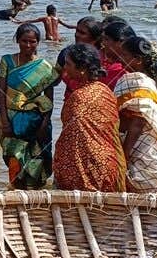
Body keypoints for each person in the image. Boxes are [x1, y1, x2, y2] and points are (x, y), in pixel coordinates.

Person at [51, 43, 126, 191]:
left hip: (81, 172)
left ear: (82, 69)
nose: (65, 68)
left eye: (68, 64)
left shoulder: (77, 97)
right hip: (107, 166)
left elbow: (70, 136)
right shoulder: (106, 91)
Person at [0, 22, 57, 188]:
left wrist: (44, 125)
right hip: (11, 118)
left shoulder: (45, 67)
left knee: (36, 160)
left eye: (32, 42)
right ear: (18, 40)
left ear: (38, 42)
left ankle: (35, 197)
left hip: (36, 121)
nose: (28, 45)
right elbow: (1, 94)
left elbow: (49, 100)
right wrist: (5, 121)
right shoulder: (7, 61)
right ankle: (16, 193)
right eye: (24, 41)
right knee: (14, 158)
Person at [113, 31, 157, 193]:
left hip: (139, 153)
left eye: (124, 55)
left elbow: (137, 122)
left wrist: (123, 158)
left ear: (138, 60)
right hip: (154, 156)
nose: (120, 59)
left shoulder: (136, 81)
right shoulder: (151, 83)